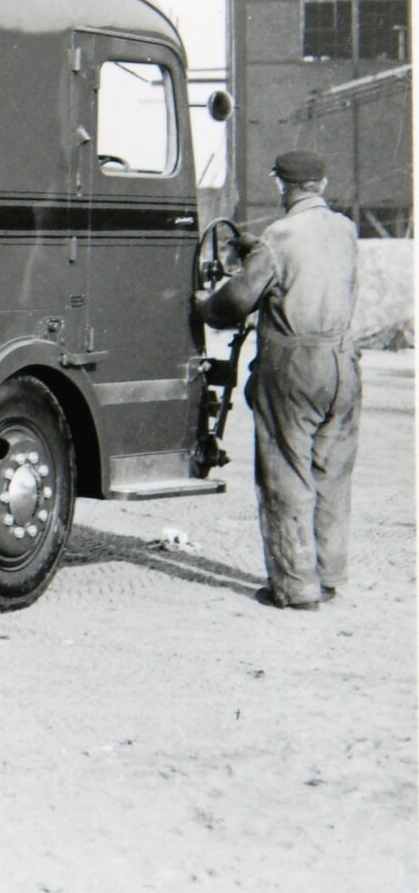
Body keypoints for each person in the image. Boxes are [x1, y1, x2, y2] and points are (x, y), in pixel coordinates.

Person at [196, 149, 361, 611]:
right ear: (323, 185)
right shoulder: (345, 230)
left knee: (286, 473)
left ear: (280, 185)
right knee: (331, 471)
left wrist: (204, 302)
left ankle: (294, 587)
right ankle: (327, 575)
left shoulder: (279, 236)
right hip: (343, 361)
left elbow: (234, 305)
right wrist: (258, 251)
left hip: (294, 365)